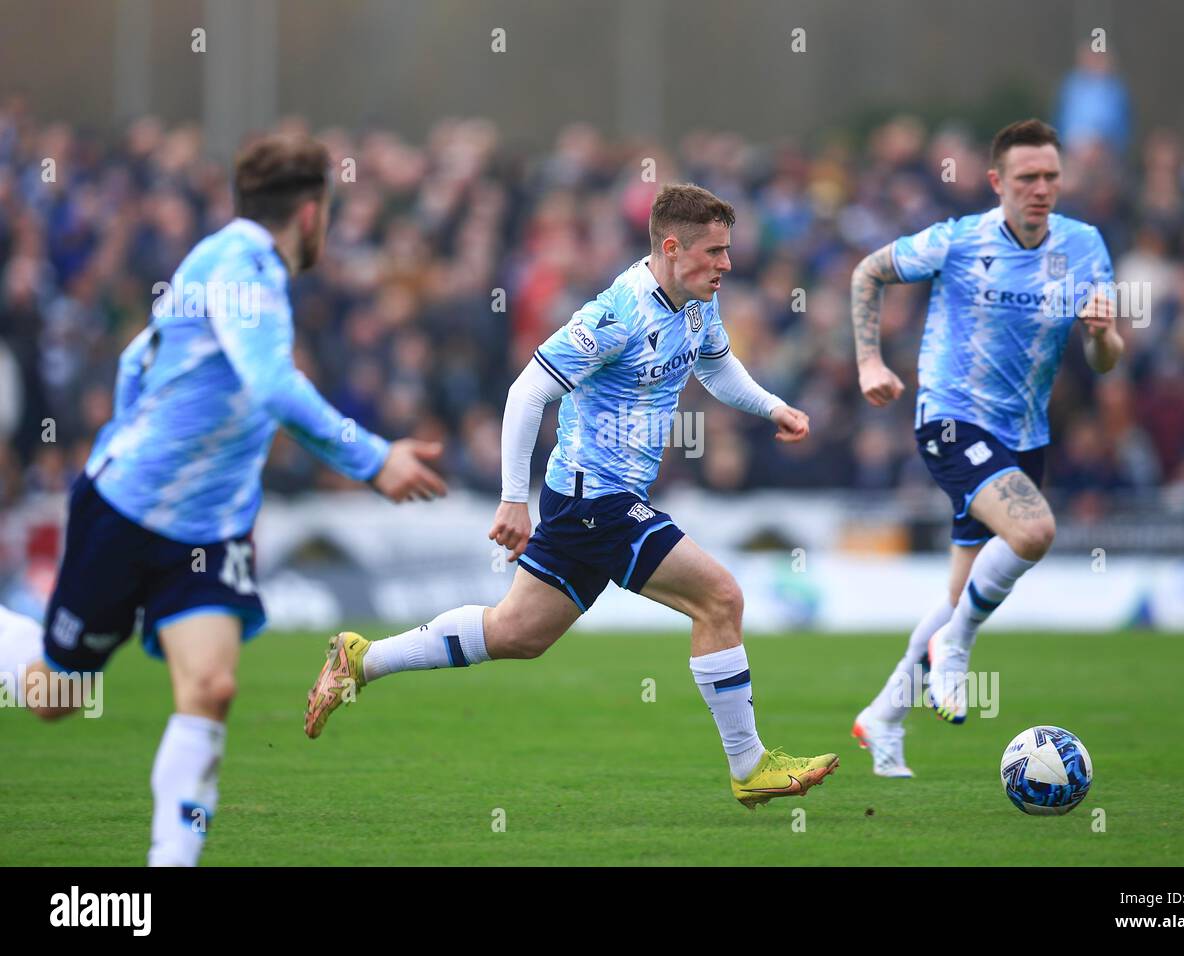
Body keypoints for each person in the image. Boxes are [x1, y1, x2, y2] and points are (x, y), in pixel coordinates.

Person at [305, 183, 839, 808]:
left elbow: (716, 367)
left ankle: (362, 660)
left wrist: (773, 406)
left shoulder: (696, 303)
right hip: (596, 502)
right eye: (715, 252)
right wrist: (511, 499)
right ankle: (750, 766)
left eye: (728, 251)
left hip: (590, 500)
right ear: (672, 247)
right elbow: (526, 392)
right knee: (720, 599)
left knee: (517, 633)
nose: (727, 264)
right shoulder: (616, 315)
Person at [0, 134, 446, 865]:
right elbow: (271, 384)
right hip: (126, 510)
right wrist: (374, 459)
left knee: (210, 687)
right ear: (310, 214)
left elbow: (131, 359)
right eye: (327, 213)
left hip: (207, 533)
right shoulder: (242, 266)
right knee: (56, 697)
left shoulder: (216, 259)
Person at [847, 119, 1124, 776]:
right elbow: (868, 271)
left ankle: (883, 717)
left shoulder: (1085, 246)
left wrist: (1102, 335)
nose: (1041, 189)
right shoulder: (960, 240)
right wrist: (868, 363)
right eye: (1027, 177)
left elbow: (1107, 361)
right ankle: (960, 646)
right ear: (997, 182)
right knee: (1033, 532)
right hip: (950, 418)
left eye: (1052, 176)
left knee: (957, 591)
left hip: (1025, 436)